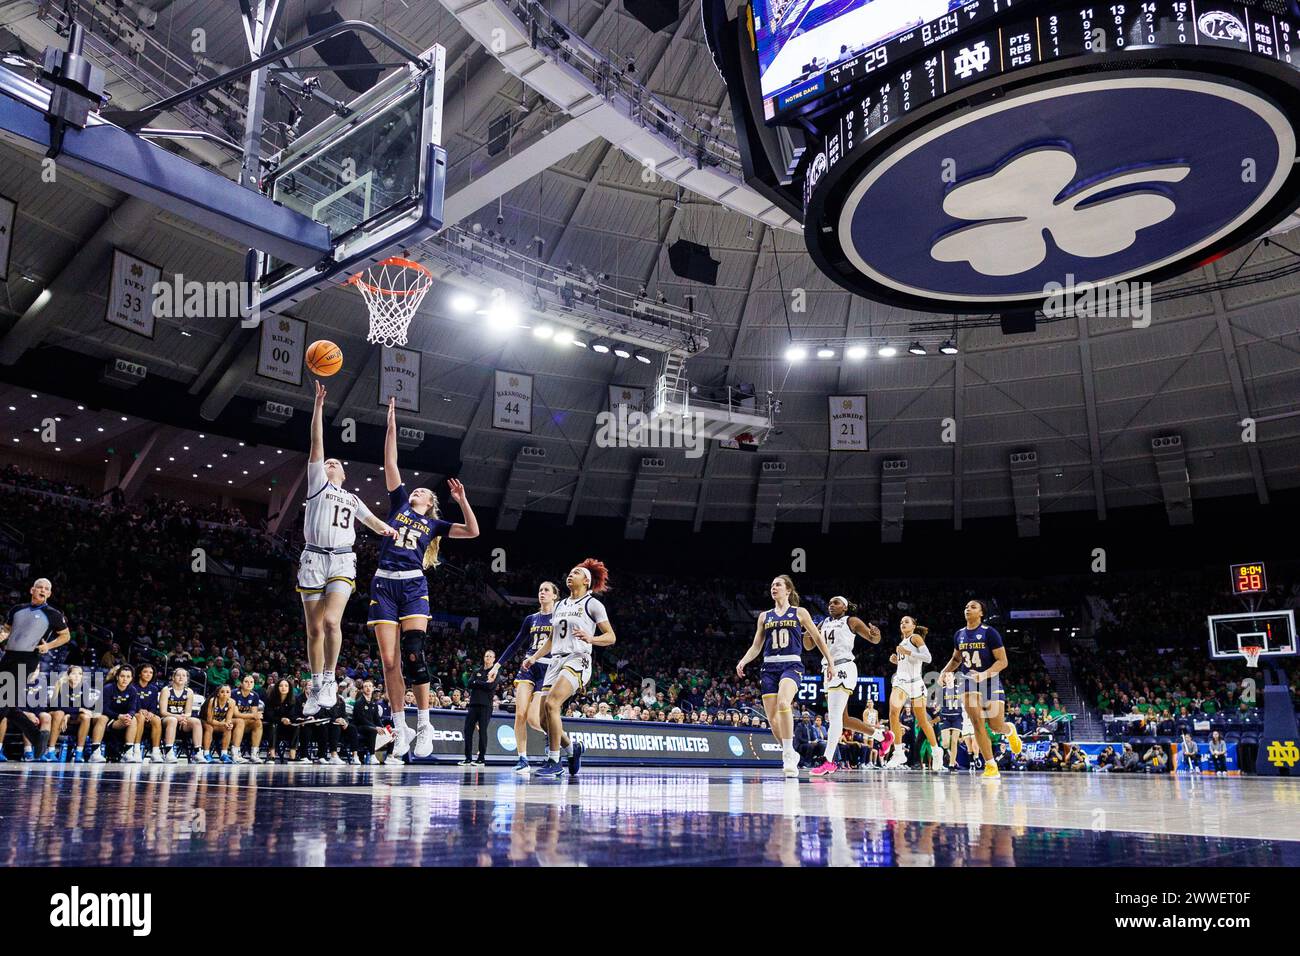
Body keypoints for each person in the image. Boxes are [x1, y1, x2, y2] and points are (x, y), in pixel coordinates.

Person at [368, 396, 480, 759]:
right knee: (389, 661)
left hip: (414, 585)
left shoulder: (435, 524)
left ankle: (425, 722)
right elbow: (390, 461)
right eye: (414, 488)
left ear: (431, 502)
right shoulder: (399, 503)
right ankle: (401, 729)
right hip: (384, 583)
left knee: (414, 654)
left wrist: (462, 500)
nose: (415, 489)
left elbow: (473, 532)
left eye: (423, 491)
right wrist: (391, 425)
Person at [298, 380, 398, 718]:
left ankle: (329, 679)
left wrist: (391, 529)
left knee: (330, 622)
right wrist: (318, 407)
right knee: (313, 629)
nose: (331, 463)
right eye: (328, 462)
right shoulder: (317, 484)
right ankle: (315, 685)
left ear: (344, 473)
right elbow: (316, 443)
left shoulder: (352, 498)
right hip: (312, 557)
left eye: (336, 463)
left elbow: (373, 522)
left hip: (342, 560)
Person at [523, 559, 617, 778]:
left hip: (578, 658)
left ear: (586, 581)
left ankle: (554, 761)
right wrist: (534, 657)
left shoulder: (592, 604)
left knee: (554, 703)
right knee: (543, 718)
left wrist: (591, 638)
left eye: (576, 572)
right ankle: (572, 748)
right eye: (570, 571)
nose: (570, 574)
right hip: (556, 660)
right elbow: (551, 638)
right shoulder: (560, 605)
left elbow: (611, 637)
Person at [735, 575, 832, 778]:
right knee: (772, 720)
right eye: (771, 585)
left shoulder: (800, 612)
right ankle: (790, 752)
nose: (773, 587)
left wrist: (830, 661)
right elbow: (756, 646)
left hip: (791, 664)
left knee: (783, 703)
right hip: (769, 667)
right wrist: (743, 660)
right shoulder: (764, 616)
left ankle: (788, 754)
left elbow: (817, 638)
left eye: (778, 584)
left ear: (788, 590)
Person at [494, 582, 574, 774]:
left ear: (555, 596)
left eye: (546, 590)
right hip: (529, 666)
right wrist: (497, 666)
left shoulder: (561, 617)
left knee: (534, 719)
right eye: (540, 590)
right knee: (520, 713)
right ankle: (522, 758)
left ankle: (564, 742)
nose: (542, 593)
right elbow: (515, 644)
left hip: (549, 669)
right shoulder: (531, 619)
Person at [937, 599, 1022, 778]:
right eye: (966, 606)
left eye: (973, 607)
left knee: (995, 725)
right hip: (968, 681)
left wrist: (983, 675)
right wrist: (944, 672)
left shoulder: (989, 633)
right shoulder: (959, 634)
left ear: (981, 613)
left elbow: (1003, 661)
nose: (968, 609)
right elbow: (956, 659)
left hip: (990, 680)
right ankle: (991, 765)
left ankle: (1010, 730)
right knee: (976, 722)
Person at [808, 596, 880, 776]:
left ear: (845, 607)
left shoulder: (851, 620)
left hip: (843, 667)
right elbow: (808, 646)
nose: (831, 605)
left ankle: (829, 761)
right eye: (830, 603)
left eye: (836, 603)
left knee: (834, 718)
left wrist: (876, 633)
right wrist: (809, 631)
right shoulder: (823, 623)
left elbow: (874, 640)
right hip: (828, 669)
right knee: (844, 719)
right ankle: (881, 736)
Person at [0, 578, 71, 759]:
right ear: (32, 590)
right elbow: (6, 630)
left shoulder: (52, 614)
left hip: (27, 659)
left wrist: (48, 646)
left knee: (3, 702)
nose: (43, 590)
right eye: (40, 587)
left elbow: (65, 636)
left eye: (47, 589)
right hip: (8, 656)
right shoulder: (17, 609)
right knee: (7, 704)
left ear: (49, 594)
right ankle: (36, 735)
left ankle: (36, 735)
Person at [884, 616, 942, 771]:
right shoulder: (902, 642)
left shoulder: (915, 638)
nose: (903, 623)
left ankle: (937, 751)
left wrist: (907, 653)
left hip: (916, 683)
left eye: (906, 622)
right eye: (901, 621)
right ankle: (898, 752)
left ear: (914, 626)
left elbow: (927, 658)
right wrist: (897, 660)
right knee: (893, 712)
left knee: (923, 721)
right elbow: (909, 663)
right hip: (902, 681)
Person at [89, 665, 140, 763]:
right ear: (117, 677)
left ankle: (128, 753)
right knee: (103, 718)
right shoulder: (108, 688)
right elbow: (104, 708)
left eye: (128, 677)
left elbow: (133, 709)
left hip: (120, 720)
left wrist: (129, 715)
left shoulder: (133, 690)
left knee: (133, 719)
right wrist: (118, 716)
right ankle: (95, 753)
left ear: (132, 678)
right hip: (107, 717)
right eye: (122, 676)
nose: (125, 679)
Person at [159, 668, 203, 763]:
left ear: (187, 679)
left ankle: (198, 753)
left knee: (196, 722)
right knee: (172, 720)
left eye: (184, 675)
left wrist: (183, 718)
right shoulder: (166, 690)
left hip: (182, 720)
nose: (181, 677)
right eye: (178, 675)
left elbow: (188, 712)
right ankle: (169, 752)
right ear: (173, 677)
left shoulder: (189, 692)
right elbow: (163, 712)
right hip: (166, 720)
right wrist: (177, 717)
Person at [461, 650, 496, 766]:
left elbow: (490, 686)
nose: (488, 658)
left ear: (494, 659)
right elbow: (470, 684)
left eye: (490, 656)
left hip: (486, 706)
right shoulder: (477, 671)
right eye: (486, 656)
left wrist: (478, 682)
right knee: (467, 730)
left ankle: (481, 758)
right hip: (473, 704)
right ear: (484, 657)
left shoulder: (495, 672)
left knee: (482, 732)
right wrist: (482, 682)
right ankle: (468, 758)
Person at [131, 663, 164, 762]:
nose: (148, 674)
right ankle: (136, 750)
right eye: (145, 672)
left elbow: (153, 706)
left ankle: (155, 752)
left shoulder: (154, 688)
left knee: (157, 719)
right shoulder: (132, 686)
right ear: (140, 674)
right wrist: (139, 710)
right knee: (140, 717)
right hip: (135, 713)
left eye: (151, 672)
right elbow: (131, 703)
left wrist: (151, 713)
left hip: (147, 715)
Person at [230, 673, 264, 763]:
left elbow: (254, 713)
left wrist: (255, 716)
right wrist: (253, 715)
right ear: (241, 683)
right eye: (246, 681)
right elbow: (236, 714)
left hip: (244, 722)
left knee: (258, 722)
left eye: (251, 682)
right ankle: (235, 754)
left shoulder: (255, 695)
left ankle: (254, 754)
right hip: (230, 721)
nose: (249, 684)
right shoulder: (234, 693)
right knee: (240, 721)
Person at [201, 685, 236, 764]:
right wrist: (223, 723)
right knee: (209, 727)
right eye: (222, 692)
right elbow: (209, 720)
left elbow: (228, 719)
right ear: (218, 694)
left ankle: (224, 754)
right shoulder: (212, 701)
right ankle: (206, 753)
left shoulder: (232, 702)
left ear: (230, 694)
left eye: (227, 692)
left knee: (228, 728)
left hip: (217, 722)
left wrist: (228, 724)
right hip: (204, 721)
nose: (225, 694)